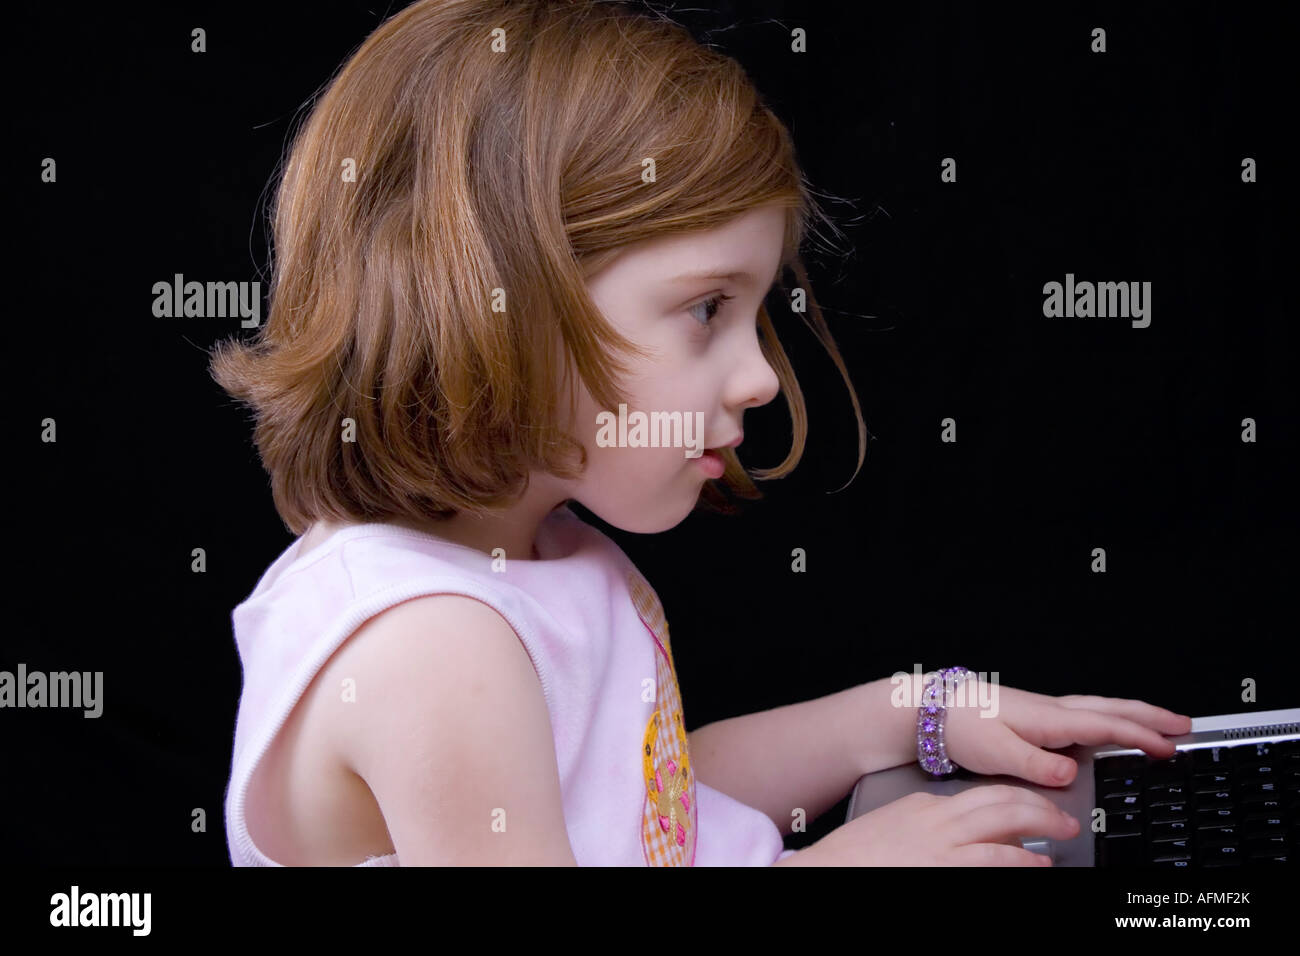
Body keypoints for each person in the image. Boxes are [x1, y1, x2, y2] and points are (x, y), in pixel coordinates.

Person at [210, 0, 1190, 866]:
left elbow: (645, 809)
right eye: (706, 307)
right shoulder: (427, 643)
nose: (762, 374)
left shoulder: (538, 553)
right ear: (499, 308)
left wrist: (913, 712)